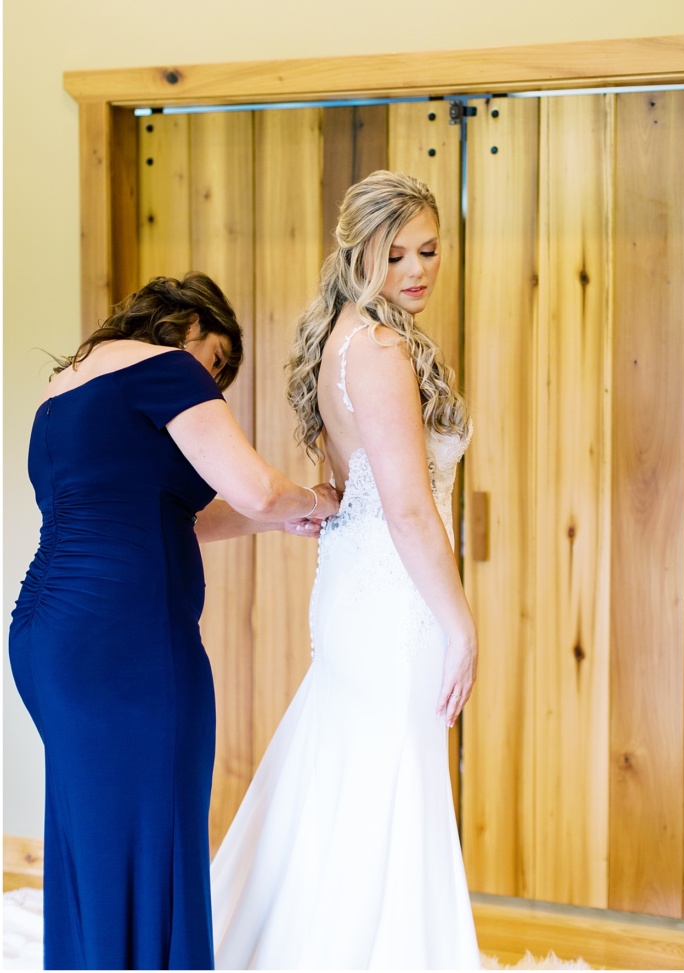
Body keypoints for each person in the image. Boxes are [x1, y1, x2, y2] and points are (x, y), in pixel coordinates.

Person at [8, 272, 339, 972]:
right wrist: (319, 497)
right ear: (189, 326)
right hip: (126, 641)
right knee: (157, 828)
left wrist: (279, 518)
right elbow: (255, 485)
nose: (212, 382)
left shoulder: (62, 388)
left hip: (47, 633)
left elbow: (166, 516)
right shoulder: (165, 368)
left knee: (94, 834)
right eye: (215, 361)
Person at [211, 171, 481, 969]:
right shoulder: (381, 346)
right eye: (394, 253)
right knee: (388, 779)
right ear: (359, 250)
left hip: (354, 585)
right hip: (392, 596)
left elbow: (357, 487)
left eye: (428, 250)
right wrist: (460, 622)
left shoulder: (341, 338)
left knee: (352, 776)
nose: (416, 269)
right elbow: (406, 508)